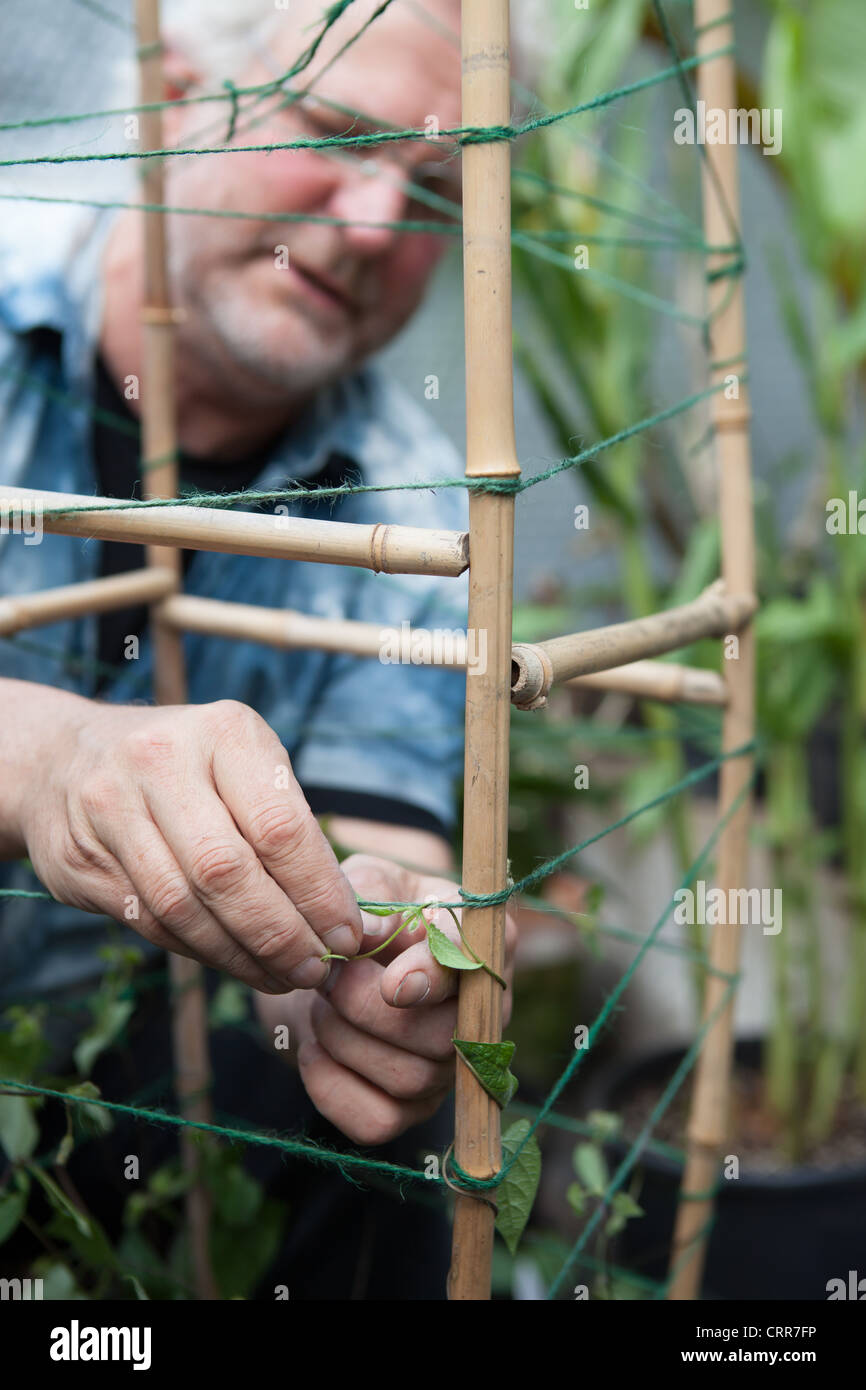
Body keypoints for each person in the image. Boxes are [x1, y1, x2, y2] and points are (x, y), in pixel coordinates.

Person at [0, 0, 521, 1298]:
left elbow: (372, 826)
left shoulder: (415, 516)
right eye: (338, 132)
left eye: (435, 192)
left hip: (116, 1082)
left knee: (379, 1142)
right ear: (175, 94)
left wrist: (373, 975)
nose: (369, 226)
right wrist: (48, 759)